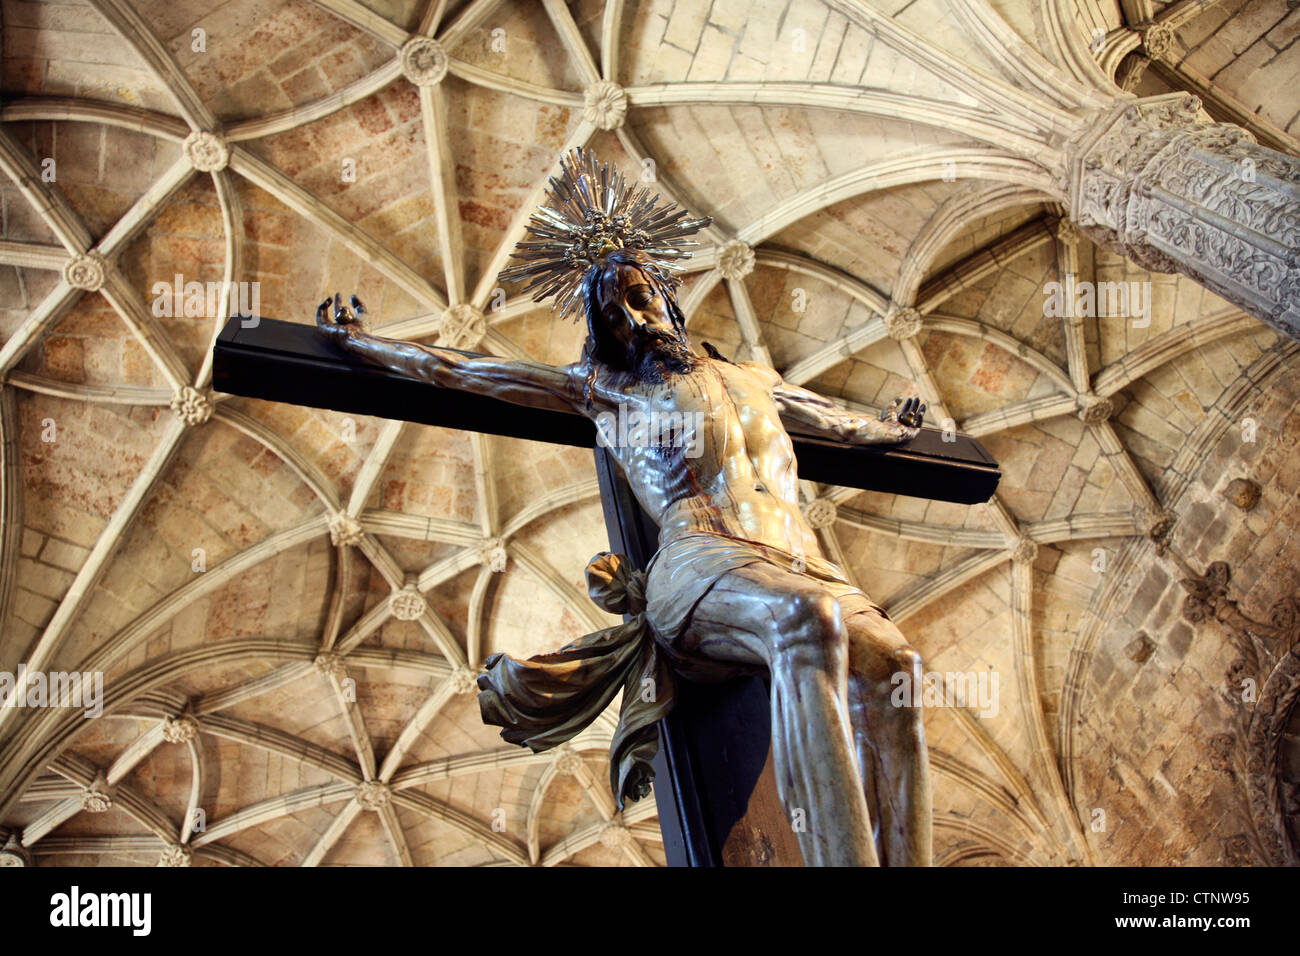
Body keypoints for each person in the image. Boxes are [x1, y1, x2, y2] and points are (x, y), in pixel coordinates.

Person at [315, 149, 931, 866]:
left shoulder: (755, 380)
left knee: (899, 669)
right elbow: (468, 374)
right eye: (616, 316)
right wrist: (363, 349)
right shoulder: (603, 391)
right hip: (700, 562)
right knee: (805, 623)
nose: (635, 321)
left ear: (666, 295)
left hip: (800, 559)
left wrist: (898, 429)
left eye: (641, 298)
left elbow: (842, 423)